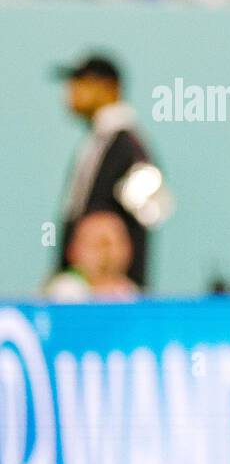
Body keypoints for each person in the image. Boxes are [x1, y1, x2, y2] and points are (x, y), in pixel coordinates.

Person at [56, 53, 168, 288]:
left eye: (82, 83)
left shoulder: (128, 146)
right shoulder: (97, 142)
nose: (71, 92)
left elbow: (155, 210)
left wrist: (116, 273)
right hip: (82, 287)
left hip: (111, 295)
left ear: (109, 88)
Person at [43, 210, 137, 302]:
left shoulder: (130, 292)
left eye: (112, 243)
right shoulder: (65, 287)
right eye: (94, 244)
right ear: (72, 251)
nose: (104, 251)